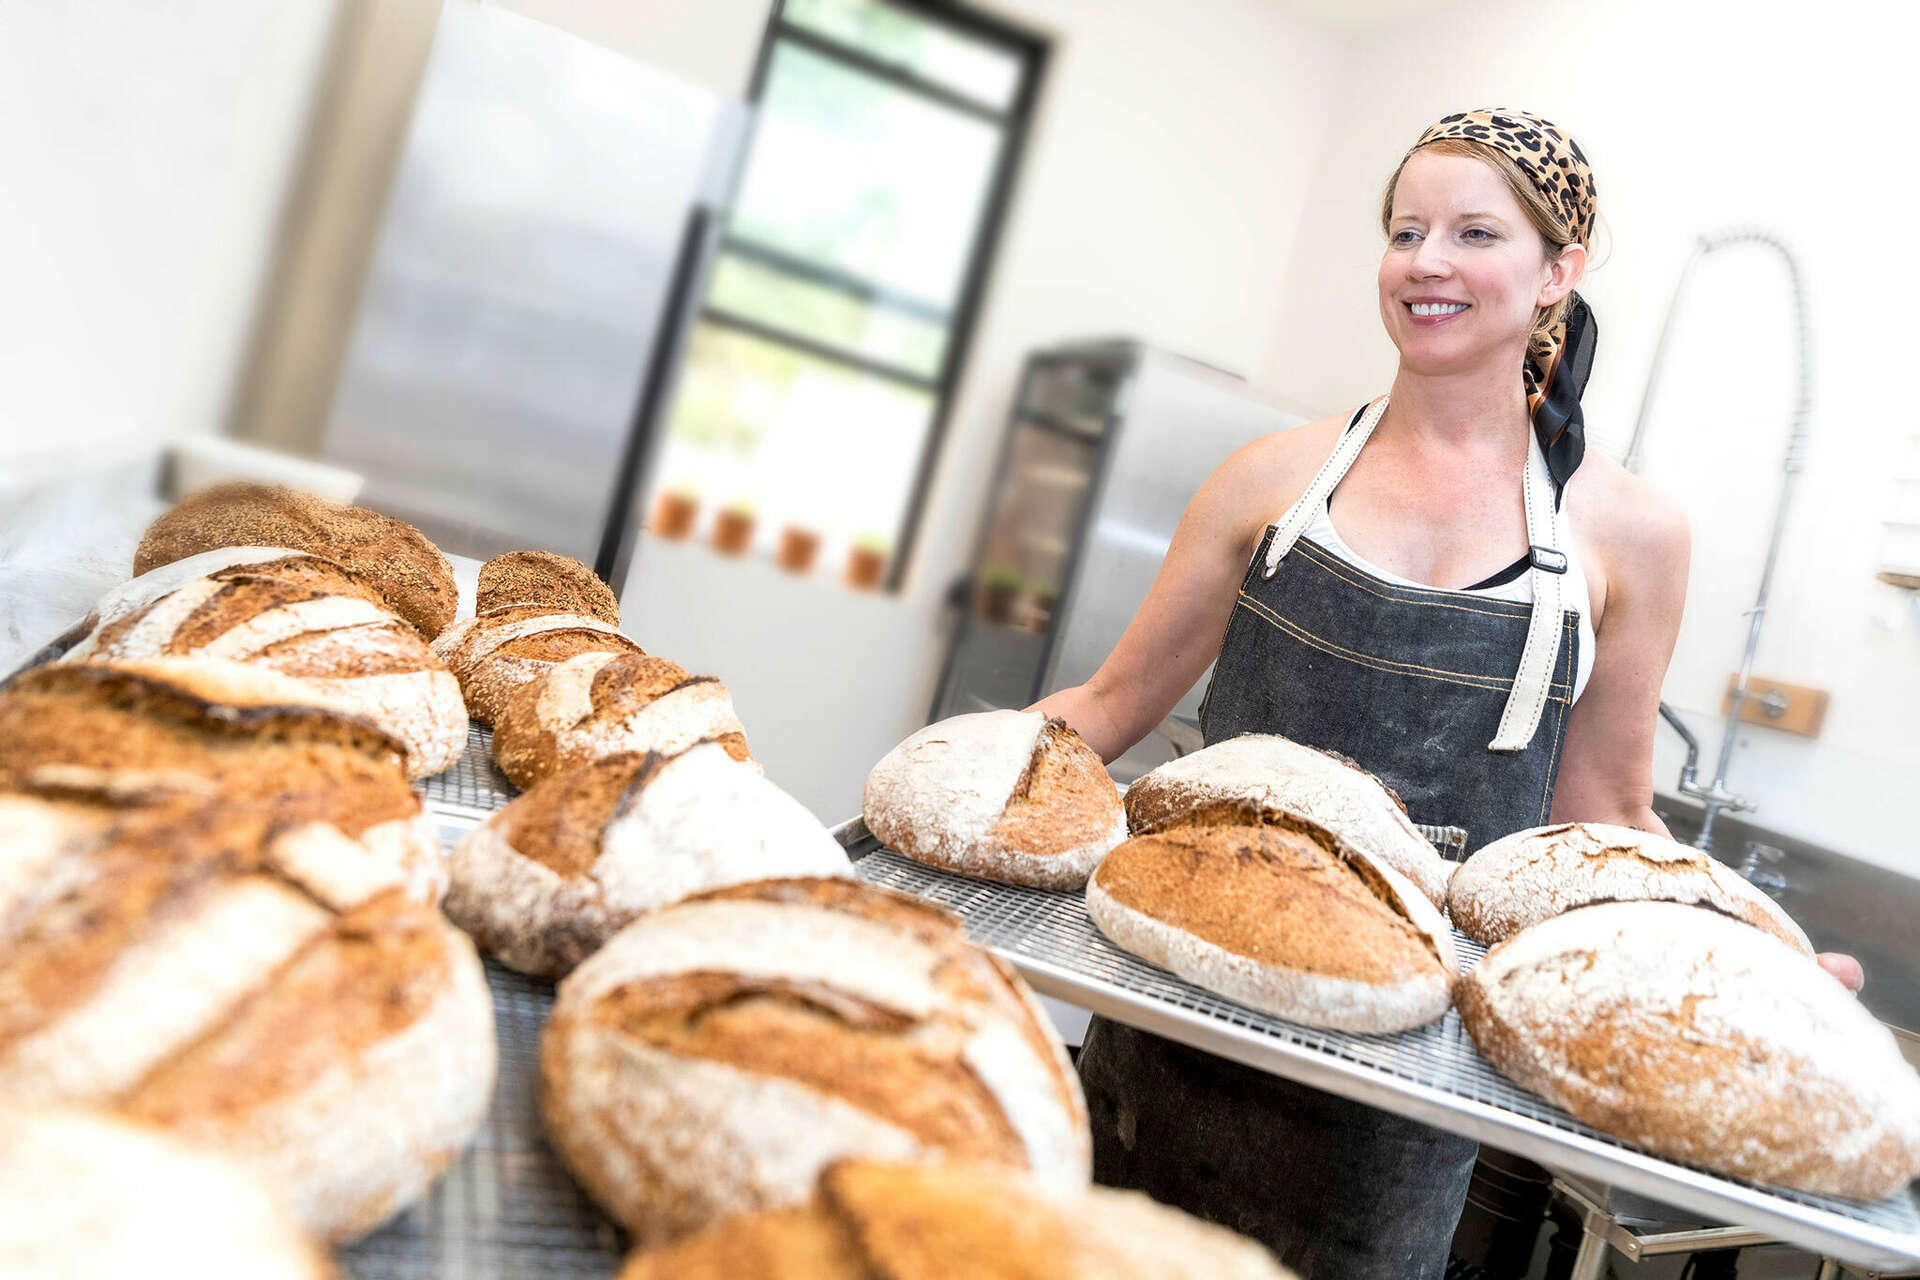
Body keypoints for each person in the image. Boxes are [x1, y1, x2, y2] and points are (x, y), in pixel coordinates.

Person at [1031, 108, 1863, 1280]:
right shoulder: (1273, 477)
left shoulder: (1630, 534)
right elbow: (1110, 702)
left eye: (1474, 233)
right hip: (1179, 1008)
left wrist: (1753, 965)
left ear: (1556, 272)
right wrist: (939, 789)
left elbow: (1608, 818)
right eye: (1406, 229)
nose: (1427, 261)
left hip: (1404, 1086)